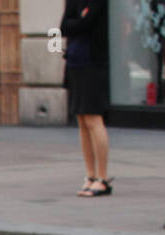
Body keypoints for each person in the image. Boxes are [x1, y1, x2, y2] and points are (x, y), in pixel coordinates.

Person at [61, 0, 111, 197]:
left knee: (93, 118)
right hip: (75, 63)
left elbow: (87, 24)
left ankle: (102, 178)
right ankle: (90, 175)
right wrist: (78, 22)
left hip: (93, 63)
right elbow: (64, 26)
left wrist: (78, 23)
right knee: (81, 119)